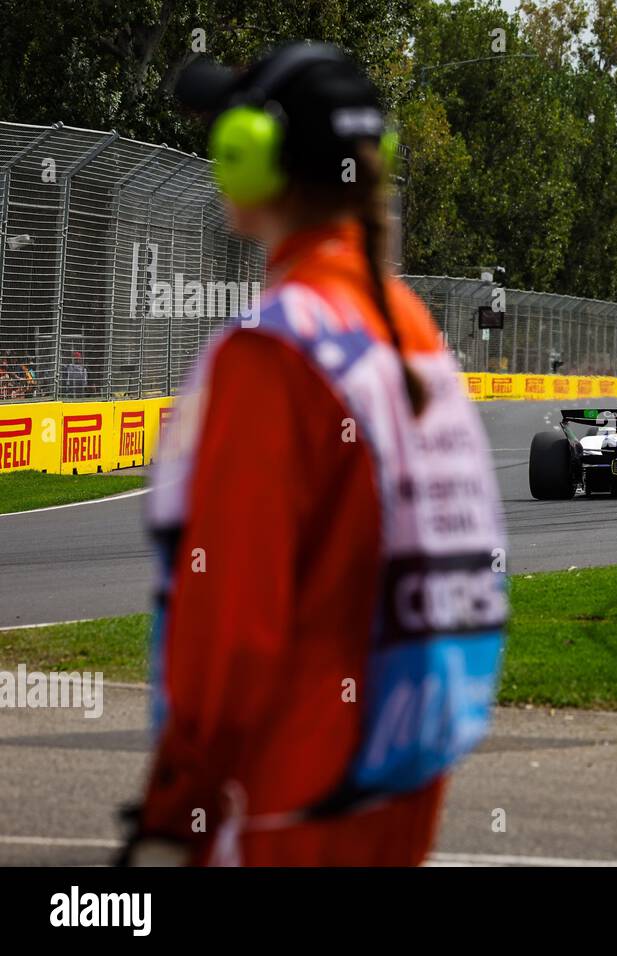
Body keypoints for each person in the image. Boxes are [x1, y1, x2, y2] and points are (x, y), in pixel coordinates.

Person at [125, 43, 508, 866]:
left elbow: (233, 626)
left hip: (285, 789)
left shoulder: (273, 354)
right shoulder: (408, 330)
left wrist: (177, 806)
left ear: (254, 159)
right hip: (402, 775)